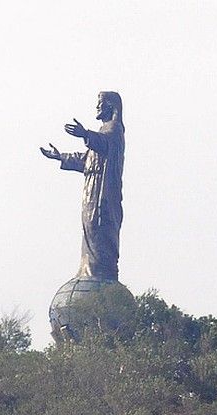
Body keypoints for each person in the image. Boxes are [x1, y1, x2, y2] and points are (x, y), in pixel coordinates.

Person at [40, 91, 125, 281]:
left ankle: (101, 274)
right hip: (91, 190)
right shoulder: (104, 131)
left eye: (100, 103)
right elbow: (86, 159)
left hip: (103, 193)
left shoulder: (114, 129)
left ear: (110, 106)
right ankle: (88, 270)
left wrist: (85, 134)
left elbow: (103, 143)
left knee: (99, 227)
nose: (97, 106)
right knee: (90, 226)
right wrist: (60, 155)